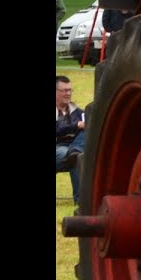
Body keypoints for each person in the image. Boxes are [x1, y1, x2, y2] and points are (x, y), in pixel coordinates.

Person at [56, 75, 87, 204]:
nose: (68, 93)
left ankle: (81, 202)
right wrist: (76, 125)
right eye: (64, 90)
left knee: (76, 156)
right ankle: (81, 201)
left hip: (71, 149)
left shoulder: (78, 112)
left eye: (70, 90)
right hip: (57, 148)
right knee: (75, 155)